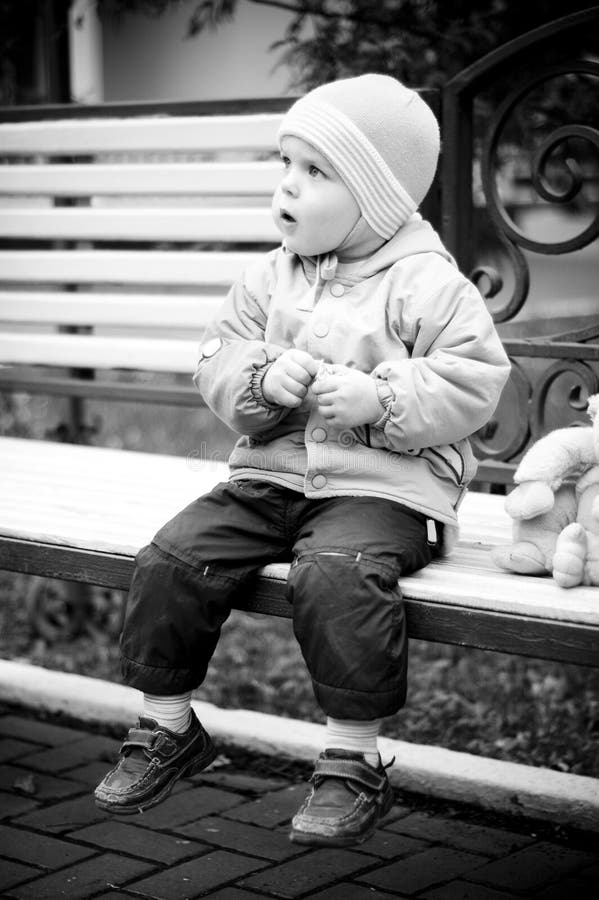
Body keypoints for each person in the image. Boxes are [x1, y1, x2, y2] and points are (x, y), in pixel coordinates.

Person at [94, 73, 511, 847]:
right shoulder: (265, 276)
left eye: (315, 171)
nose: (288, 186)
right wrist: (259, 380)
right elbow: (217, 357)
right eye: (285, 164)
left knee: (338, 573)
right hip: (267, 478)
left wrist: (381, 401)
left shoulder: (426, 282)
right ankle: (166, 727)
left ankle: (352, 758)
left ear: (376, 198)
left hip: (386, 492)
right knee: (171, 558)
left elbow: (474, 380)